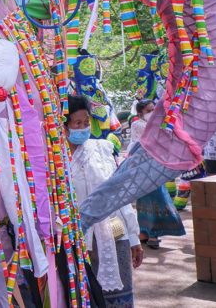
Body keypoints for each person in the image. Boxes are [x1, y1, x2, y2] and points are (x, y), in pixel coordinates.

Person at [65, 94, 143, 308]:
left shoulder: (101, 149)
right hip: (80, 238)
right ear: (65, 127)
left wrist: (134, 238)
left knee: (119, 295)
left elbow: (119, 195)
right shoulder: (58, 160)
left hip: (114, 229)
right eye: (77, 123)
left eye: (86, 122)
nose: (83, 127)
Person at [128, 100, 185, 249]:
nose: (152, 113)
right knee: (152, 199)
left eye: (154, 109)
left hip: (154, 166)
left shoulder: (155, 123)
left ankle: (147, 233)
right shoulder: (138, 125)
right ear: (140, 113)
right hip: (144, 167)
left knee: (154, 198)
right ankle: (151, 234)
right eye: (149, 111)